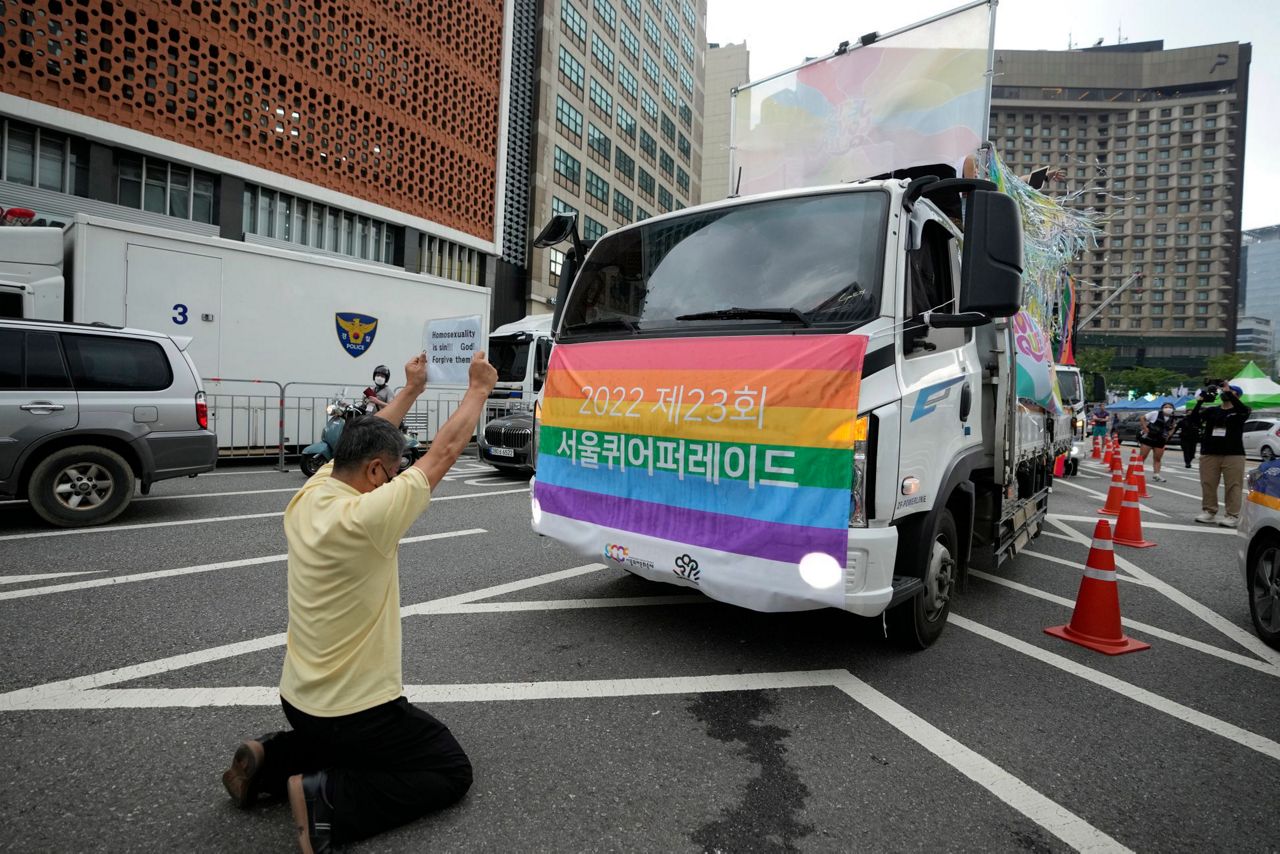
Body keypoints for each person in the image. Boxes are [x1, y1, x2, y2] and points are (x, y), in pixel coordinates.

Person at [221, 350, 498, 853]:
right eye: (391, 473)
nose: (395, 480)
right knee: (448, 768)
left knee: (334, 742)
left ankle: (269, 760)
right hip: (356, 710)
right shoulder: (368, 519)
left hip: (299, 699)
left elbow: (362, 438)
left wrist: (411, 389)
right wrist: (478, 389)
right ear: (375, 473)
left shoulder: (314, 493)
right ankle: (328, 803)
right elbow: (444, 453)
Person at [1186, 382, 1250, 527]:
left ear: (1237, 396)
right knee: (1208, 483)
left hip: (1233, 453)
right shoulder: (1212, 411)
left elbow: (1242, 410)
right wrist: (1200, 402)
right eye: (1224, 390)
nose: (1224, 393)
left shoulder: (1242, 410)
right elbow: (1193, 420)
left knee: (1233, 485)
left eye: (1230, 391)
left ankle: (1232, 515)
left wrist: (1229, 393)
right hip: (1209, 452)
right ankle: (1209, 511)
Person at [1138, 402, 1178, 482]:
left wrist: (1169, 435)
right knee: (1142, 457)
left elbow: (1173, 427)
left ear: (1173, 409)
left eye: (1170, 407)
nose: (1168, 408)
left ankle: (1156, 475)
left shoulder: (1173, 418)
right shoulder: (1155, 413)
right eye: (1166, 407)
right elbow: (1142, 418)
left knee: (1157, 458)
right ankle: (1136, 473)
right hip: (1149, 438)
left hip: (1161, 440)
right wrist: (1145, 428)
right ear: (1162, 408)